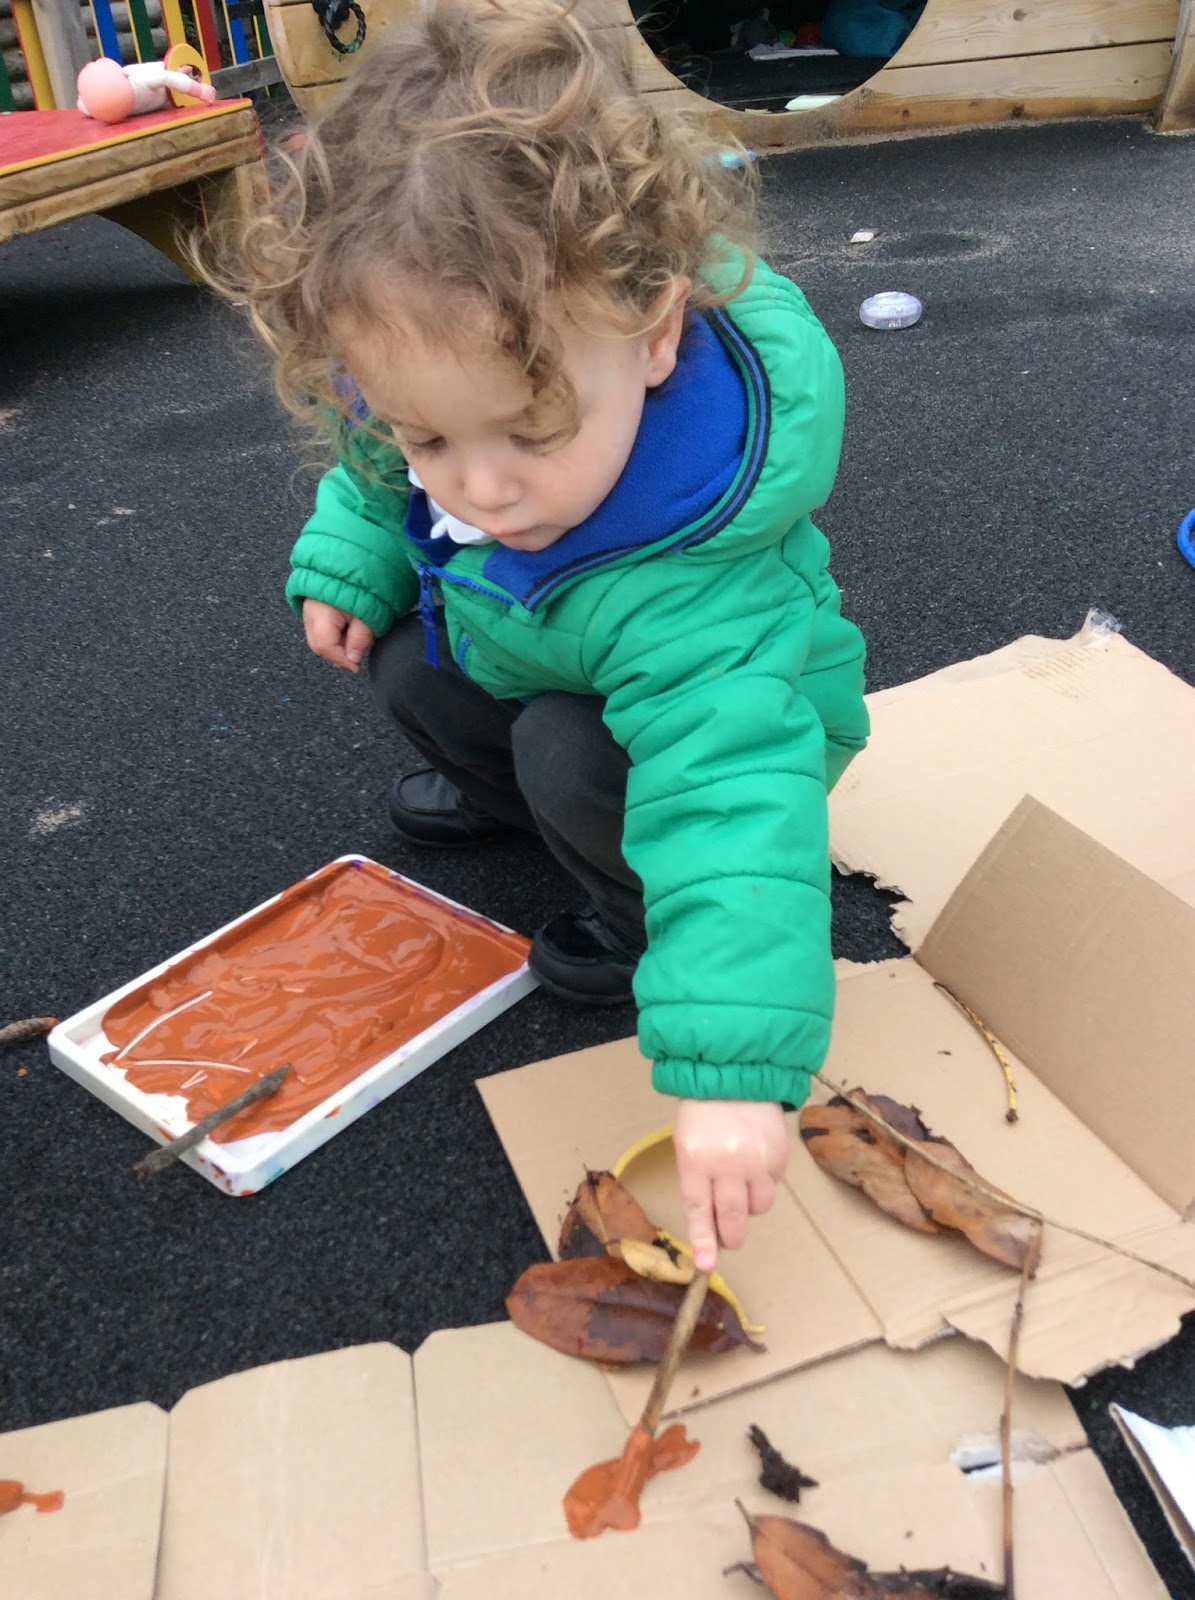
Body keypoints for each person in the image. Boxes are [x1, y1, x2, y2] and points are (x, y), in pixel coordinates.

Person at [219, 0, 868, 1273]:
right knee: (406, 655)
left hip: (716, 734)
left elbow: (729, 802)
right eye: (430, 435)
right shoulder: (430, 385)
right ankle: (526, 806)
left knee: (577, 755)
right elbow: (367, 471)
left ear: (657, 330)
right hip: (530, 648)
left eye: (527, 431)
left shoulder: (699, 562)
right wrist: (354, 553)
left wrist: (734, 1068)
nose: (480, 489)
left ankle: (628, 919)